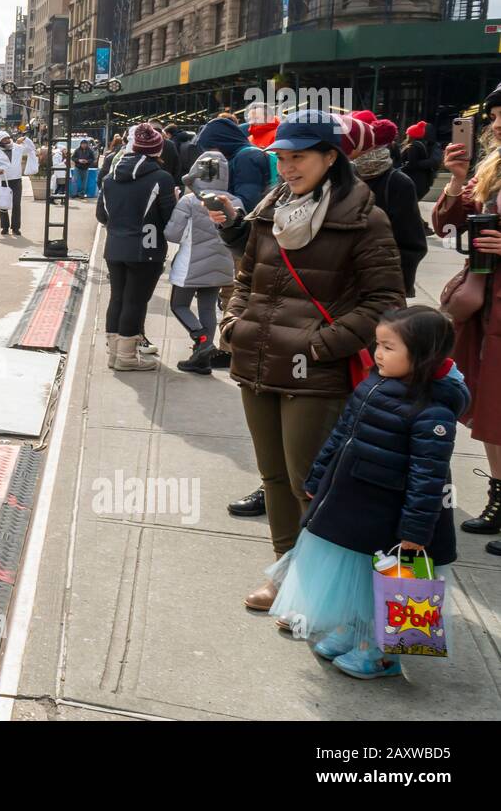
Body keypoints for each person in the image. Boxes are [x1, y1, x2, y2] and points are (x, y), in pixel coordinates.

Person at [212, 111, 405, 610]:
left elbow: (386, 303)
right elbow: (246, 278)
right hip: (256, 361)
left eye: (299, 157)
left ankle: (318, 584)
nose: (288, 167)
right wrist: (234, 324)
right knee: (273, 476)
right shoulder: (268, 211)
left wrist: (321, 345)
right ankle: (284, 571)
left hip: (314, 372)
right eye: (282, 157)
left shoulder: (366, 218)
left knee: (308, 482)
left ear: (330, 157)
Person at [268, 306, 465, 679]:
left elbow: (429, 477)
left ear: (422, 355)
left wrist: (416, 531)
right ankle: (355, 630)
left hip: (395, 515)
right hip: (358, 504)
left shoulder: (433, 412)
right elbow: (342, 435)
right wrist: (318, 477)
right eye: (378, 345)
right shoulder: (374, 383)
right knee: (358, 574)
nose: (378, 354)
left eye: (389, 347)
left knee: (392, 580)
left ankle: (383, 652)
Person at [432, 84, 501, 551]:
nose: (495, 125)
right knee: (491, 404)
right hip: (485, 301)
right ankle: (499, 495)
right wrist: (457, 181)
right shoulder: (492, 170)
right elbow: (449, 228)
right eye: (495, 116)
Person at [96, 123, 176, 371]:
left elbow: (102, 215)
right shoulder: (161, 178)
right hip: (147, 248)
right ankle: (127, 358)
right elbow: (169, 218)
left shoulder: (110, 178)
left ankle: (114, 354)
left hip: (115, 247)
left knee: (118, 298)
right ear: (156, 151)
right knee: (136, 301)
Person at [164, 150, 242, 374]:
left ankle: (203, 341)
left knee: (178, 305)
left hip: (191, 264)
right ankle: (202, 360)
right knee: (207, 307)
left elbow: (173, 234)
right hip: (221, 264)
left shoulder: (189, 201)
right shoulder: (234, 201)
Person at [351, 117, 427, 296]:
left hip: (381, 289)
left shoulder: (398, 183)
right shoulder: (340, 177)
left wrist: (387, 284)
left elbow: (413, 245)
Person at [196, 115, 272, 211]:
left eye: (211, 149)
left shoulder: (246, 157)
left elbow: (248, 203)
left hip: (251, 220)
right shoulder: (236, 156)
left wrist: (218, 202)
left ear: (222, 142)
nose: (211, 155)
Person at [0, 130, 37, 235]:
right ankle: (5, 227)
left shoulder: (17, 147)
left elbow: (31, 148)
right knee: (3, 204)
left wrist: (25, 139)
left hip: (16, 180)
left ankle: (15, 228)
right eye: (4, 139)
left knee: (16, 204)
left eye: (8, 138)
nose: (7, 140)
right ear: (0, 141)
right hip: (2, 180)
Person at [401, 120, 438, 201]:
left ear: (411, 135)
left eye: (408, 133)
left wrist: (400, 169)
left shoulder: (412, 147)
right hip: (421, 180)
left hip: (413, 179)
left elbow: (411, 164)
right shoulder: (422, 145)